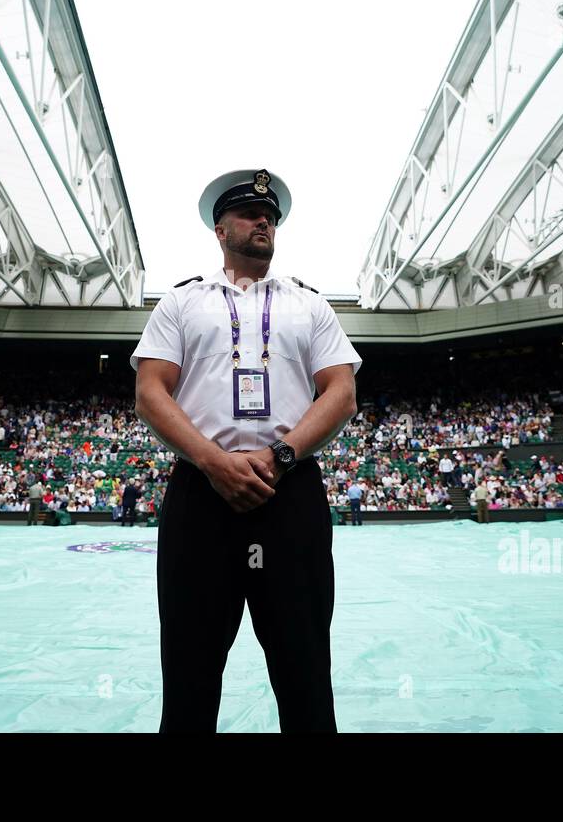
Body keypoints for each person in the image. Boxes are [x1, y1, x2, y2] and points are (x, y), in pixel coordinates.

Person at [132, 168, 361, 733]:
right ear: (219, 228)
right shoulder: (181, 303)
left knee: (304, 667)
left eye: (271, 217)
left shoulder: (310, 306)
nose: (264, 221)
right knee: (189, 670)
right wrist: (213, 462)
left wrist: (280, 457)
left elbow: (342, 392)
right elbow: (149, 392)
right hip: (201, 493)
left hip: (290, 492)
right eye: (249, 214)